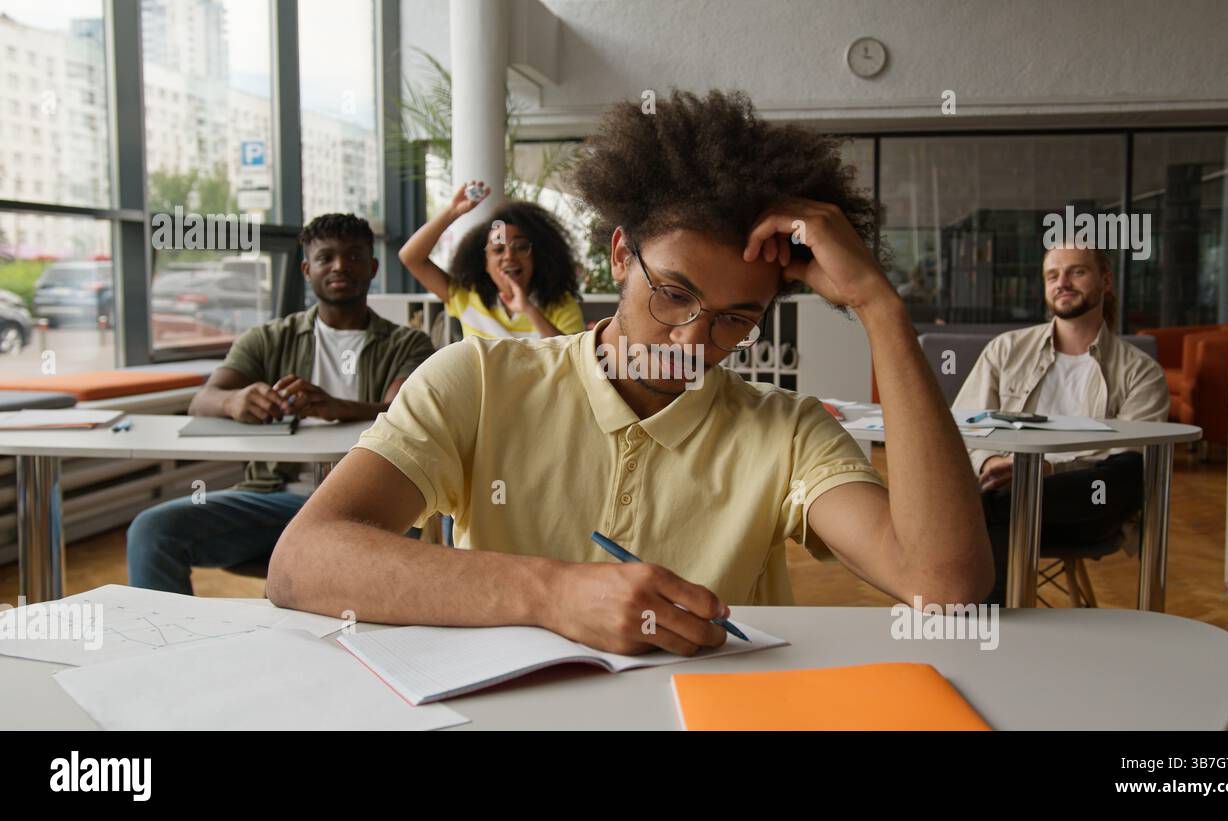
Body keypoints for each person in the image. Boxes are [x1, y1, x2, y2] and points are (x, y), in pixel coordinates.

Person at [268, 89, 992, 656]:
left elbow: (945, 585)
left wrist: (880, 307)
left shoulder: (786, 431)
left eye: (737, 318)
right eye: (674, 293)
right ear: (619, 255)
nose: (694, 337)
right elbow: (304, 561)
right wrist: (553, 593)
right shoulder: (479, 380)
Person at [126, 214, 435, 594]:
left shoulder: (409, 344)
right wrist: (236, 401)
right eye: (326, 258)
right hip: (276, 499)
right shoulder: (267, 339)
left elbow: (399, 412)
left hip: (369, 503)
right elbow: (203, 401)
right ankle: (164, 653)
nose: (340, 266)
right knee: (153, 530)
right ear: (307, 269)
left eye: (353, 257)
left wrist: (336, 406)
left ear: (371, 267)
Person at [953, 245, 1169, 605]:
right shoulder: (1004, 350)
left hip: (1085, 505)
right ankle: (1002, 621)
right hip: (1006, 494)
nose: (1062, 283)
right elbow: (961, 428)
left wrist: (1049, 470)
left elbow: (1131, 460)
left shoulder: (1141, 371)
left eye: (1077, 272)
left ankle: (989, 629)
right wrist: (990, 464)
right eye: (1053, 276)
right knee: (999, 501)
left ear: (1106, 281)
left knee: (1130, 468)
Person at [399, 185, 585, 338]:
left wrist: (528, 310)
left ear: (538, 256)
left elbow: (572, 359)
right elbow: (411, 257)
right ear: (484, 263)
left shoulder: (561, 305)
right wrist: (453, 211)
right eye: (498, 250)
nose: (509, 256)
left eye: (520, 247)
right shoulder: (467, 297)